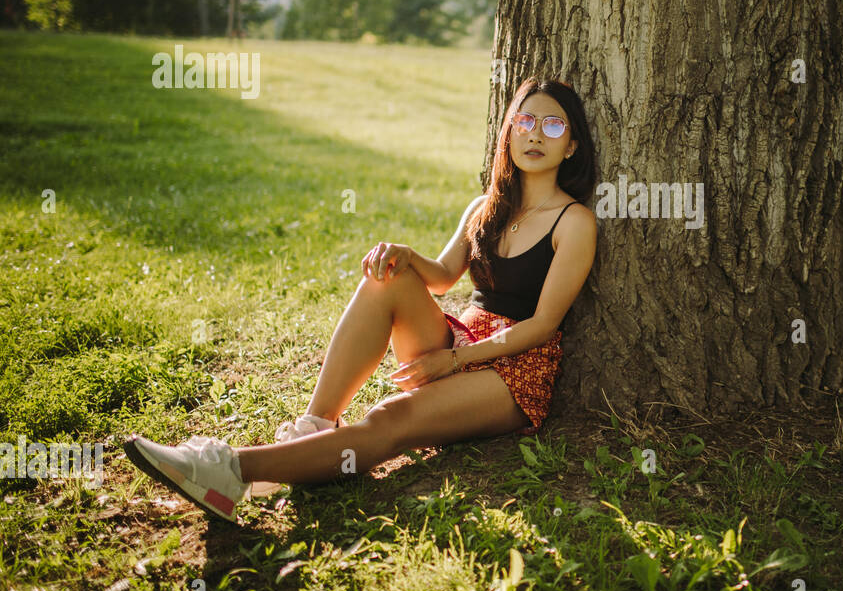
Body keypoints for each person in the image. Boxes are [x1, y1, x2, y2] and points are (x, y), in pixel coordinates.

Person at [124, 77, 599, 523]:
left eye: (553, 125)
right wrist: (406, 255)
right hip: (463, 337)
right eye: (526, 122)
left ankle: (229, 471)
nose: (537, 135)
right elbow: (440, 279)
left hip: (515, 368)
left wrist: (454, 361)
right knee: (386, 280)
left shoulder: (574, 222)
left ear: (571, 145)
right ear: (509, 134)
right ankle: (316, 428)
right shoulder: (485, 206)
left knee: (390, 418)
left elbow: (541, 326)